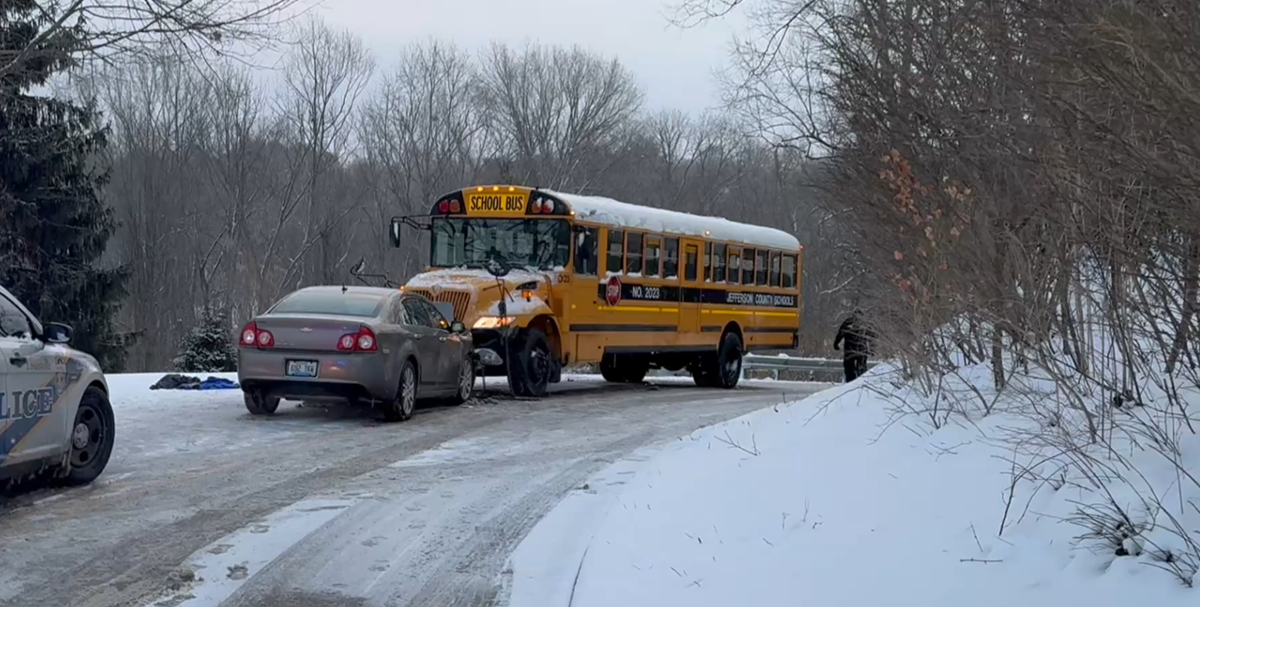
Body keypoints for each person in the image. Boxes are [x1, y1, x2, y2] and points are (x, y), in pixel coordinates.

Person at [833, 310, 871, 382]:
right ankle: (861, 383)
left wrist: (836, 343)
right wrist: (872, 349)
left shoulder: (847, 322)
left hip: (849, 350)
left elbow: (841, 333)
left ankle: (851, 384)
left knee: (849, 371)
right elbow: (872, 336)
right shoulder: (864, 324)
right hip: (861, 350)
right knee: (861, 369)